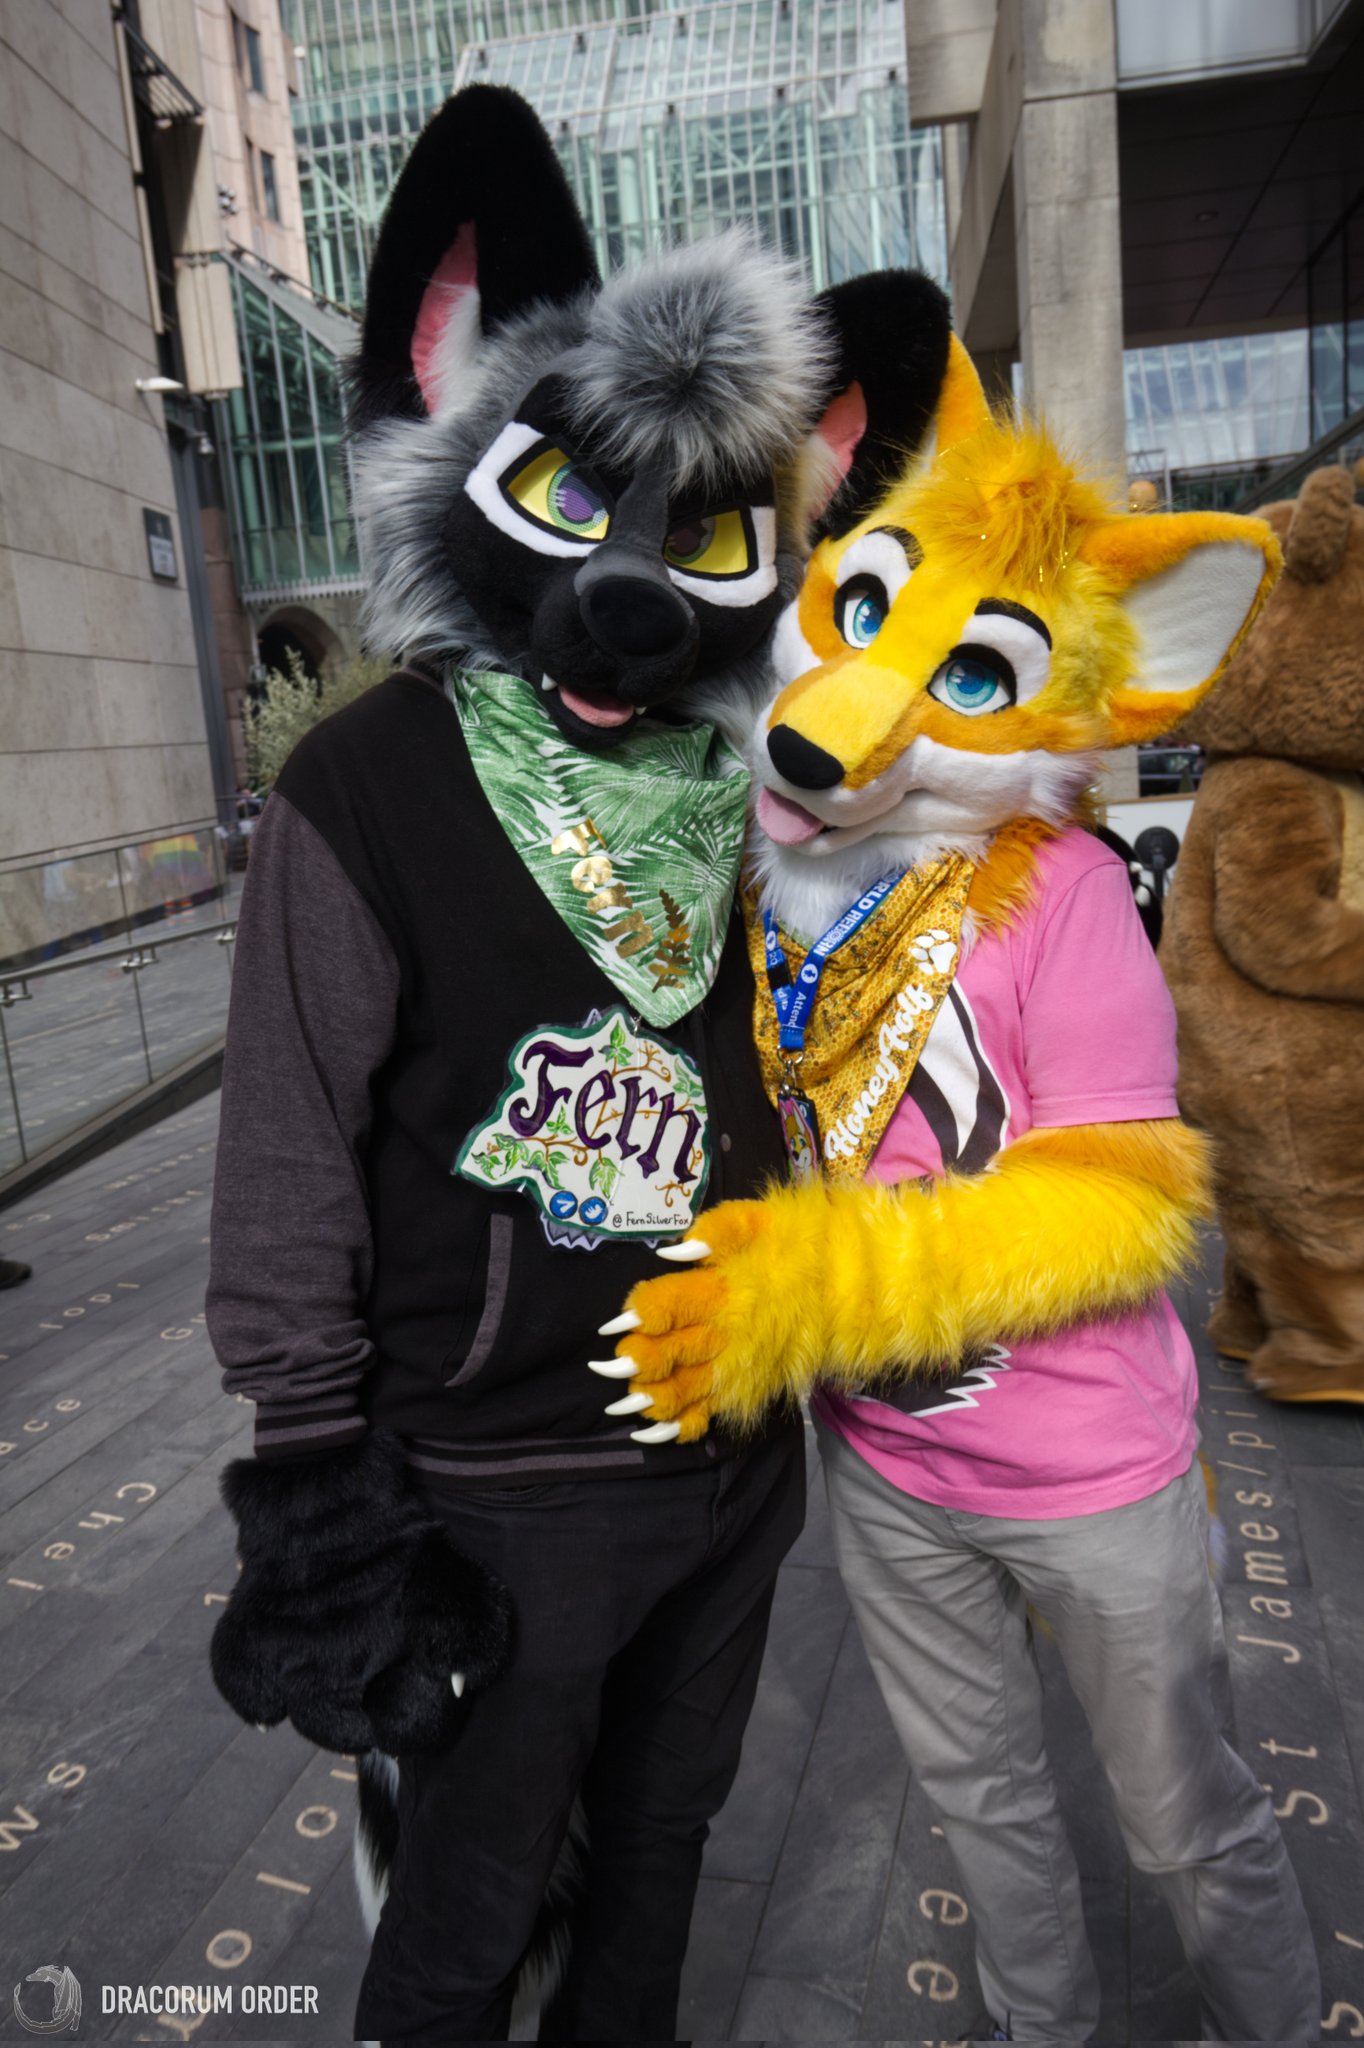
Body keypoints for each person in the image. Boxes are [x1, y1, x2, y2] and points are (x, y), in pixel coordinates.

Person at [203, 84, 953, 2042]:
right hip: (500, 1492)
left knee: (660, 1867)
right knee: (458, 1926)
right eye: (568, 499)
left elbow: (799, 1090)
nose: (628, 582)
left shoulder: (748, 796)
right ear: (460, 430)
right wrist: (314, 1499)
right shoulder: (364, 789)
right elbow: (284, 1162)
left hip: (725, 1465)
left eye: (696, 529)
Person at [600, 339, 1321, 2043]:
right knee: (981, 1807)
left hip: (1089, 1474)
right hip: (889, 1469)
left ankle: (1284, 2026)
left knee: (1182, 1822)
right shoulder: (773, 876)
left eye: (970, 678)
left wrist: (805, 1295)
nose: (855, 708)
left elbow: (1114, 1199)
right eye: (862, 619)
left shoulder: (1060, 894)